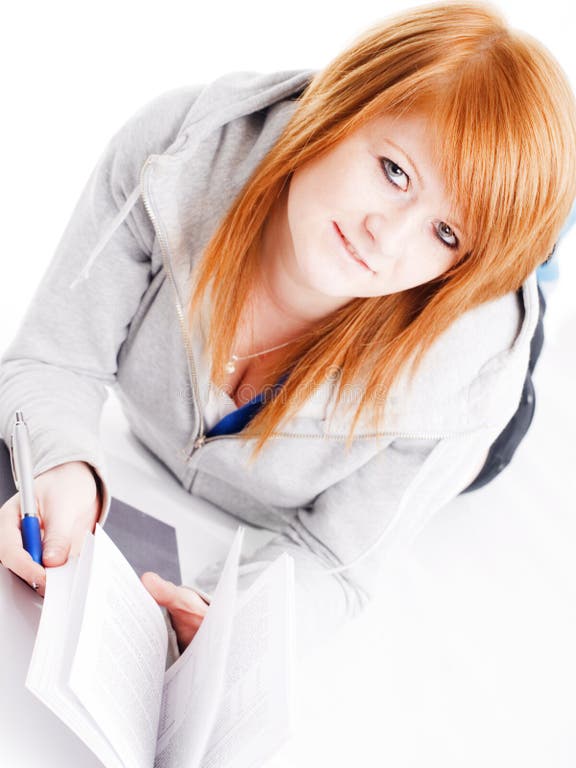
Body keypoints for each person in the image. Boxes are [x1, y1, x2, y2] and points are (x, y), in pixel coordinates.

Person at [0, 1, 575, 657]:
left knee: (515, 318)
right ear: (343, 102)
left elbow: (339, 559)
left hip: (470, 386)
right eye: (394, 171)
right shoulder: (173, 155)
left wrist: (231, 616)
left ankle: (532, 255)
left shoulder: (470, 377)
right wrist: (61, 462)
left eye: (446, 232)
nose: (385, 239)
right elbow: (51, 359)